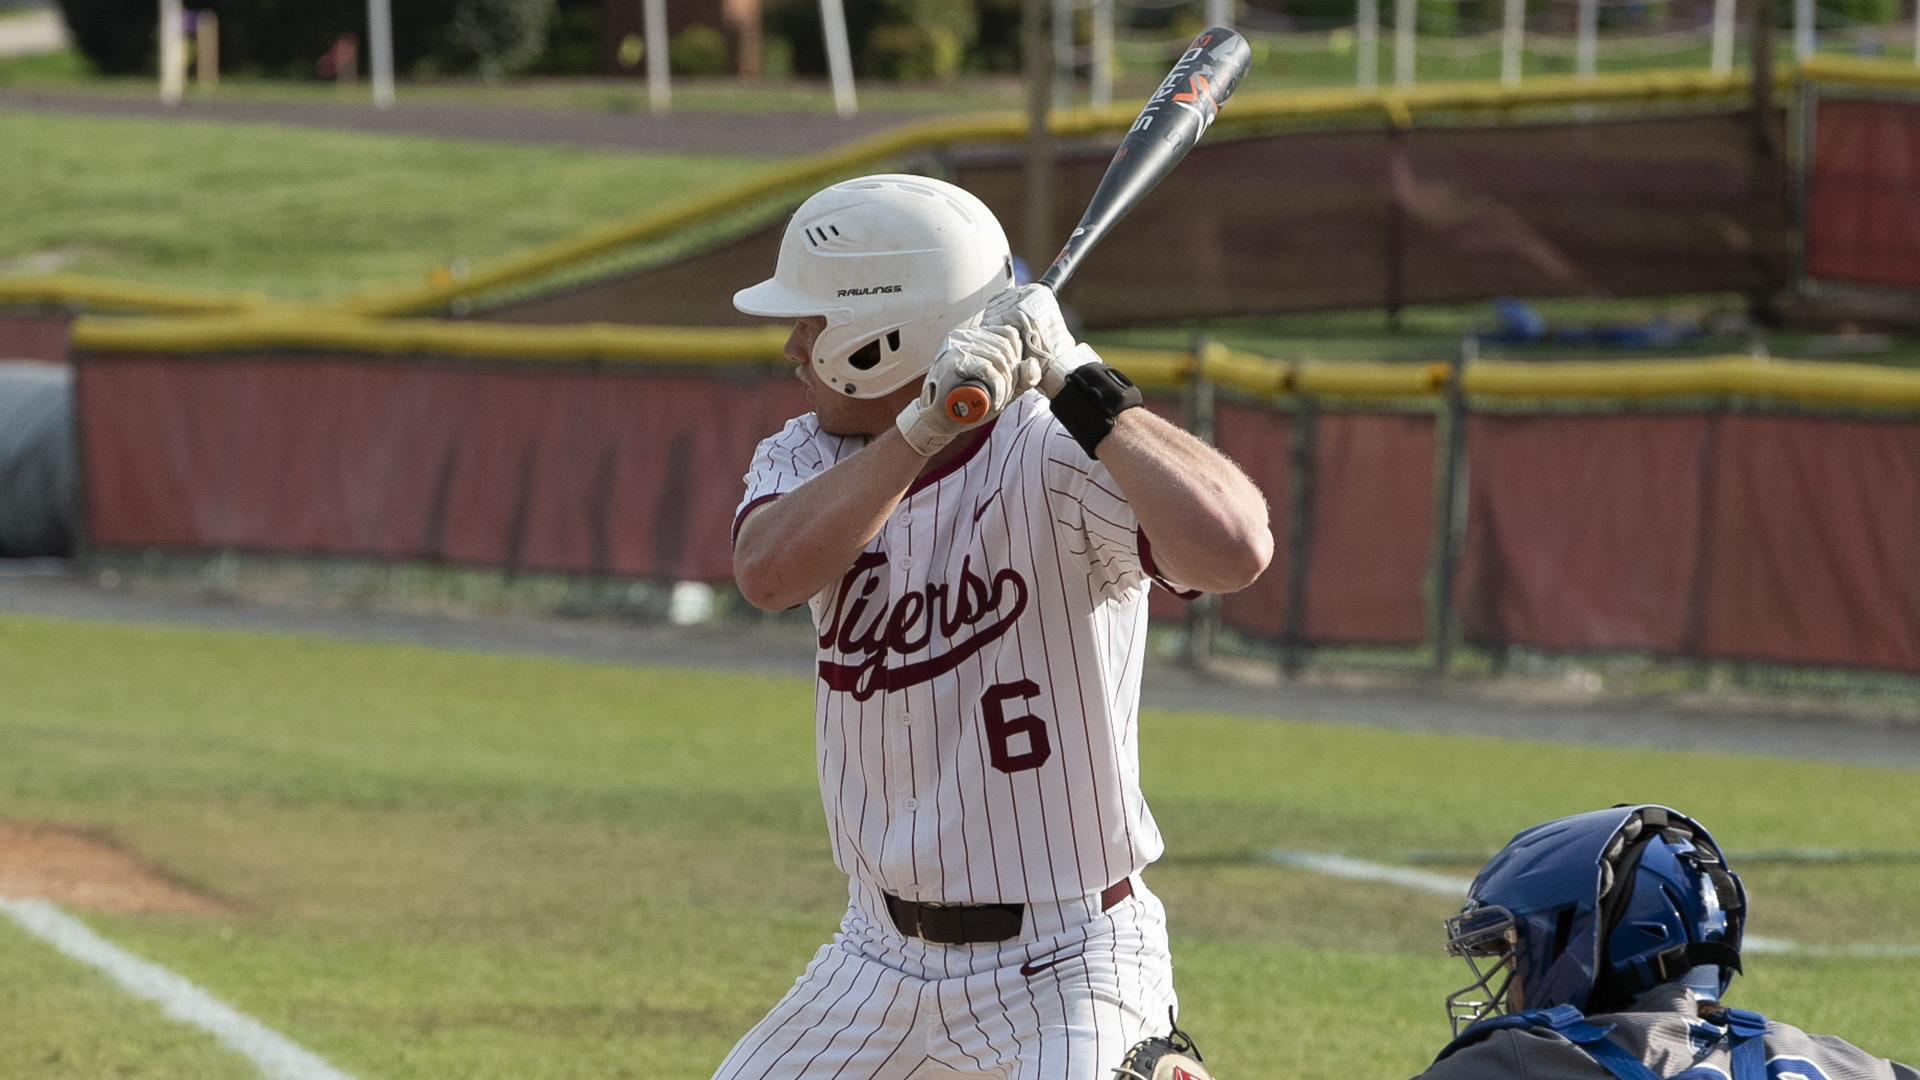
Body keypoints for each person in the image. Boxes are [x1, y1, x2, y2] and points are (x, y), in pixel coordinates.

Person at [719, 172, 1272, 1080]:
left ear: (876, 337)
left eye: (812, 324)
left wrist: (1083, 379)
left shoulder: (1060, 451)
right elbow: (768, 575)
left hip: (1069, 958)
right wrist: (922, 427)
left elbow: (1237, 549)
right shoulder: (808, 454)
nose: (791, 347)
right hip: (874, 955)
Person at [1420, 804, 1918, 1080]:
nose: (1508, 978)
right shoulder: (1839, 1062)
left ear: (1572, 940)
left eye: (1511, 950)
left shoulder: (1519, 1060)